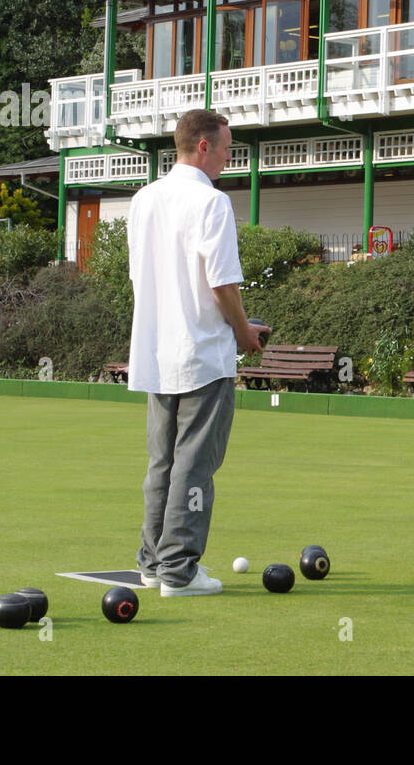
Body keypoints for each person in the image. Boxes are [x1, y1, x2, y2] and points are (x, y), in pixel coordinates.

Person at [126, 109, 269, 598]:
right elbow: (222, 283)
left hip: (156, 351)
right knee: (195, 464)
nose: (230, 157)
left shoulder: (144, 199)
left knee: (162, 461)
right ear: (203, 146)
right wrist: (246, 332)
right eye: (226, 148)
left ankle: (152, 562)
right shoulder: (212, 203)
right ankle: (180, 571)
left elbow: (138, 278)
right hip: (203, 352)